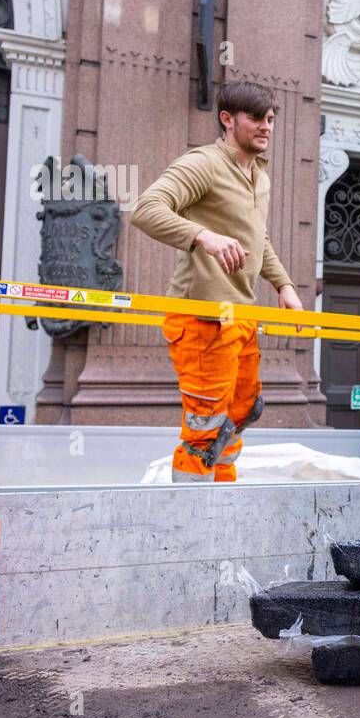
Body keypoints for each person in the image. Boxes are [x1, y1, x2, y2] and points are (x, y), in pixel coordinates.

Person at [131, 82, 303, 482]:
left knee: (241, 411)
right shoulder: (203, 164)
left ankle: (221, 498)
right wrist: (201, 235)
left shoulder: (259, 176)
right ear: (227, 119)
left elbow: (258, 238)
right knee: (205, 425)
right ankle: (191, 517)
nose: (267, 127)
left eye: (272, 119)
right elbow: (146, 209)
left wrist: (284, 285)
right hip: (202, 317)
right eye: (257, 118)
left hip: (240, 316)